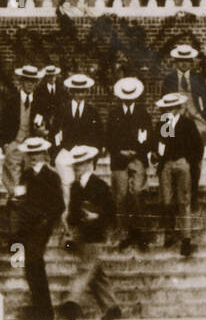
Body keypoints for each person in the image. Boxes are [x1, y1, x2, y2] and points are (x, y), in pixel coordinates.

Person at [59, 145, 121, 320]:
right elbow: (73, 213)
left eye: (79, 164)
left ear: (88, 164)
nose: (76, 168)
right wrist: (71, 221)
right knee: (96, 273)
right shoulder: (75, 187)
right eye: (75, 164)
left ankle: (71, 302)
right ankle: (112, 307)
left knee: (86, 268)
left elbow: (111, 211)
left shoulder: (100, 185)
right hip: (82, 235)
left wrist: (97, 216)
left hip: (95, 235)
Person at [13, 137, 65, 320]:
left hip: (43, 225)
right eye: (30, 154)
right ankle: (39, 306)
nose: (33, 157)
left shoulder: (51, 176)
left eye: (37, 153)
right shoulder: (25, 176)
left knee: (35, 258)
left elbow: (59, 204)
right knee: (28, 263)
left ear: (44, 154)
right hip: (27, 224)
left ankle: (45, 309)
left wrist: (47, 220)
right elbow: (20, 199)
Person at [106, 76, 152, 251]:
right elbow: (108, 138)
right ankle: (124, 233)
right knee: (121, 196)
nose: (128, 99)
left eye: (131, 96)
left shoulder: (143, 113)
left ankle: (140, 232)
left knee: (138, 193)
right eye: (125, 96)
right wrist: (120, 152)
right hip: (119, 160)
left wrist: (137, 152)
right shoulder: (114, 114)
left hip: (137, 158)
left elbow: (149, 136)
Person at [162, 43, 206, 208]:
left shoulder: (198, 79)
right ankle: (173, 198)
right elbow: (164, 105)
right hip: (174, 119)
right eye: (180, 60)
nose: (183, 64)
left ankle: (193, 196)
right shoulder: (169, 80)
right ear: (175, 62)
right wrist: (167, 124)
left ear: (192, 62)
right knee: (172, 157)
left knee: (194, 160)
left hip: (195, 121)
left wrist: (202, 117)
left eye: (187, 60)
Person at [152, 91, 199, 257]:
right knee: (167, 201)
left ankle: (186, 239)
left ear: (179, 108)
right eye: (166, 108)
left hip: (182, 163)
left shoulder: (187, 124)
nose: (169, 111)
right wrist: (157, 156)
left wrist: (189, 162)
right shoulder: (164, 124)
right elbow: (160, 145)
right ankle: (169, 233)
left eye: (172, 107)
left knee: (183, 201)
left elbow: (197, 147)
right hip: (167, 165)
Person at [53, 73, 105, 219]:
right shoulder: (63, 110)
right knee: (67, 187)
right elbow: (55, 133)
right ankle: (68, 218)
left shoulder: (92, 112)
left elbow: (99, 136)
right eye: (76, 91)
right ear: (71, 91)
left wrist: (93, 156)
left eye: (82, 90)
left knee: (84, 187)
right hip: (67, 153)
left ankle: (84, 221)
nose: (79, 94)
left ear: (86, 92)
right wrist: (56, 152)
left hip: (86, 155)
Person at [0, 66, 41, 228]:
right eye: (27, 81)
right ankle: (16, 202)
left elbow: (47, 126)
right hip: (16, 143)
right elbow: (1, 125)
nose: (29, 85)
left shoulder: (40, 102)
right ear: (21, 82)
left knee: (38, 169)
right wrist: (5, 143)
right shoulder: (11, 101)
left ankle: (34, 208)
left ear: (36, 83)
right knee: (11, 165)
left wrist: (42, 132)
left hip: (34, 145)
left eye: (33, 82)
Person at [31, 63, 67, 135]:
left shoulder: (61, 89)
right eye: (49, 76)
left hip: (58, 121)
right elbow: (36, 108)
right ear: (46, 77)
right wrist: (38, 124)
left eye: (53, 75)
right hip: (44, 121)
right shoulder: (40, 90)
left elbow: (65, 105)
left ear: (56, 76)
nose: (52, 78)